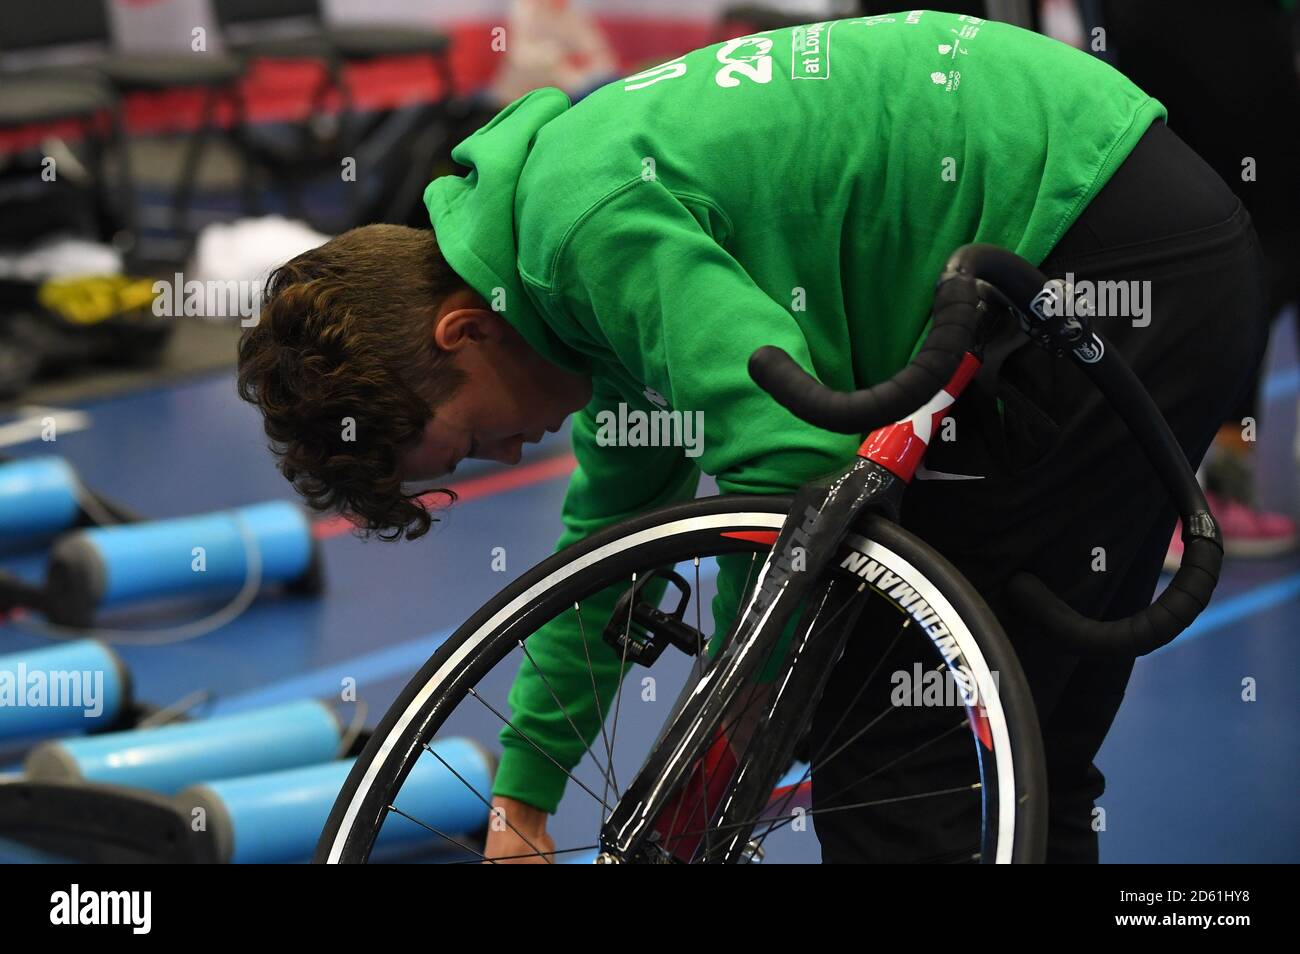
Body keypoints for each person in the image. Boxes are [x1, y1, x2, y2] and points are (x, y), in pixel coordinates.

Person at [236, 12, 1268, 862]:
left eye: (465, 442)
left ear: (460, 330)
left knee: (904, 773)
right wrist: (523, 800)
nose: (503, 458)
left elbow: (783, 482)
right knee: (1017, 751)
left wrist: (725, 727)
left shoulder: (580, 226)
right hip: (1125, 244)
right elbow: (607, 554)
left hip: (1097, 258)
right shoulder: (552, 268)